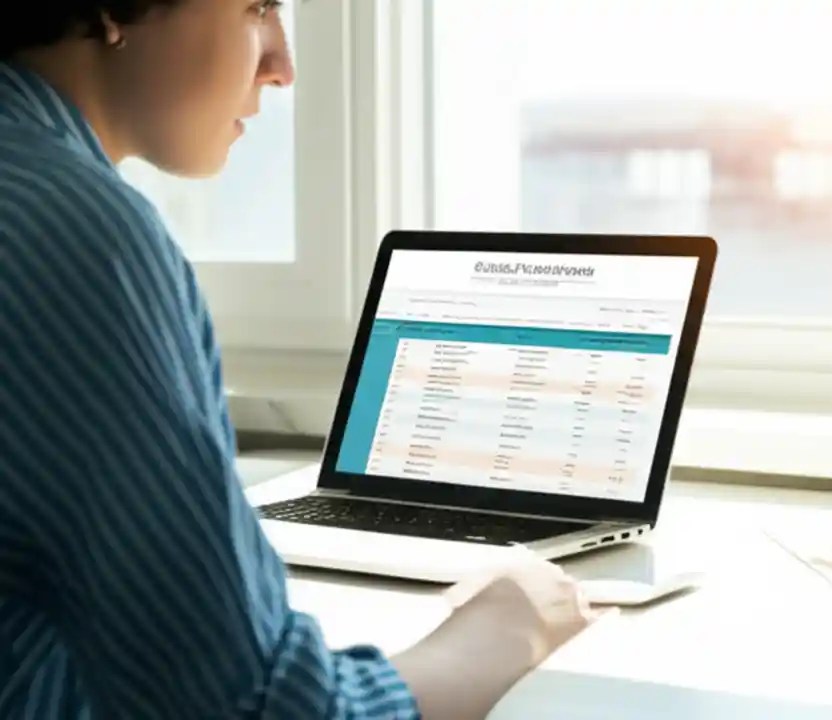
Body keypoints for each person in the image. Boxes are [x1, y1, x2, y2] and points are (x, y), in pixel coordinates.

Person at [0, 2, 602, 718]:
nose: (282, 65)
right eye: (257, 7)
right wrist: (511, 623)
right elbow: (257, 710)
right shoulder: (74, 231)